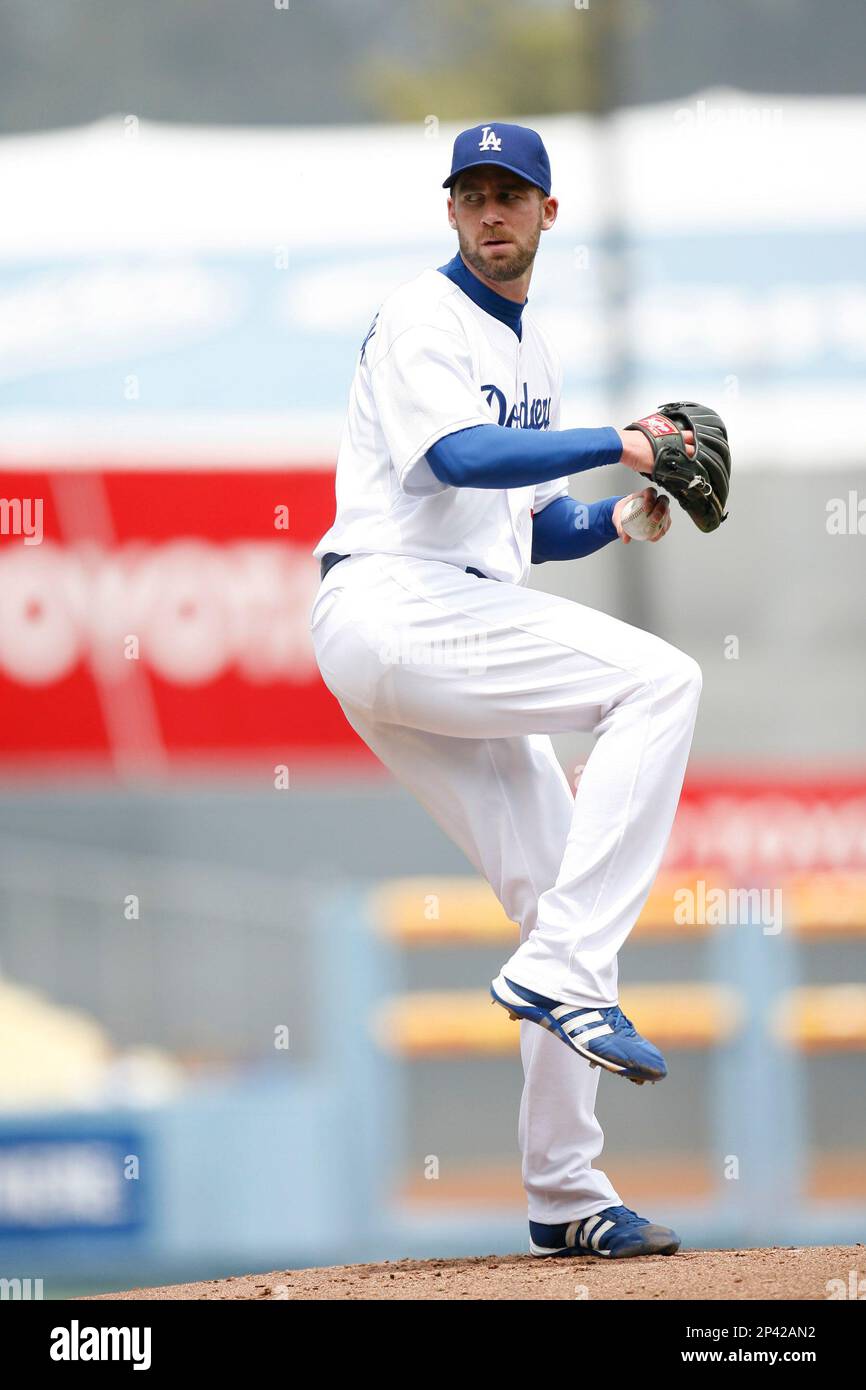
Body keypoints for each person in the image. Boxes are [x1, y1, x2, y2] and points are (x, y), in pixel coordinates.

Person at [309, 122, 702, 1259]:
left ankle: (565, 1191)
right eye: (471, 192)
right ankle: (562, 972)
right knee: (661, 680)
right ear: (449, 212)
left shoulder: (533, 355)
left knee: (560, 890)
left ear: (545, 213)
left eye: (510, 193)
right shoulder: (419, 318)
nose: (490, 210)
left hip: (446, 627)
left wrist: (621, 512)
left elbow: (526, 526)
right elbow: (458, 462)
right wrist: (623, 441)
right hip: (392, 605)